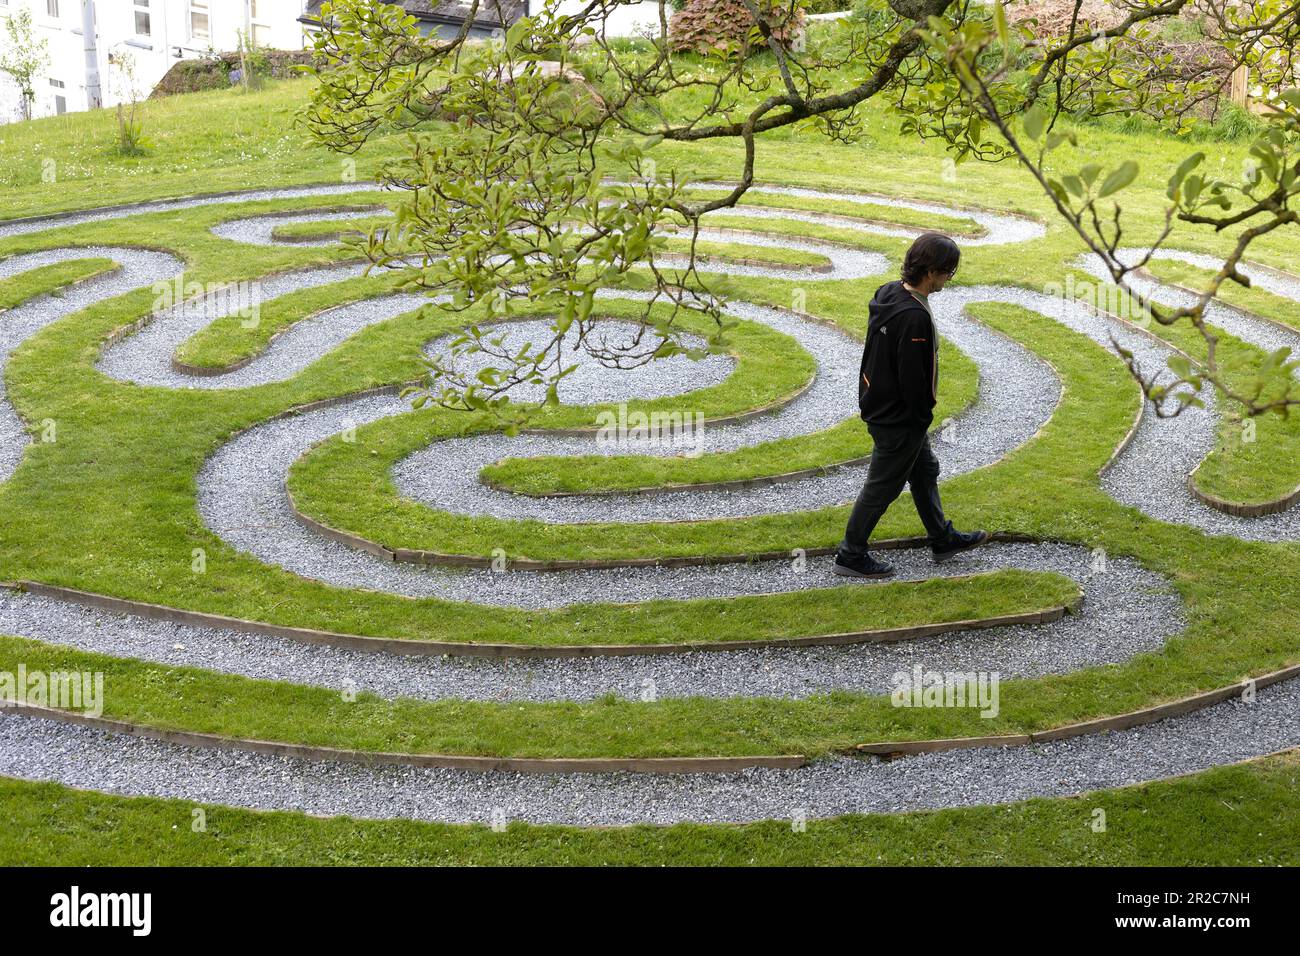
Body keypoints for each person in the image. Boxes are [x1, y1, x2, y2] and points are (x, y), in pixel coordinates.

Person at [833, 233, 988, 579]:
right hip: (899, 418)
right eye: (948, 273)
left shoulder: (889, 292)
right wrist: (922, 417)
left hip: (883, 405)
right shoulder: (914, 318)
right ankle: (850, 553)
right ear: (931, 271)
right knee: (882, 486)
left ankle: (942, 538)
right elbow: (913, 379)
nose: (949, 279)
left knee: (924, 471)